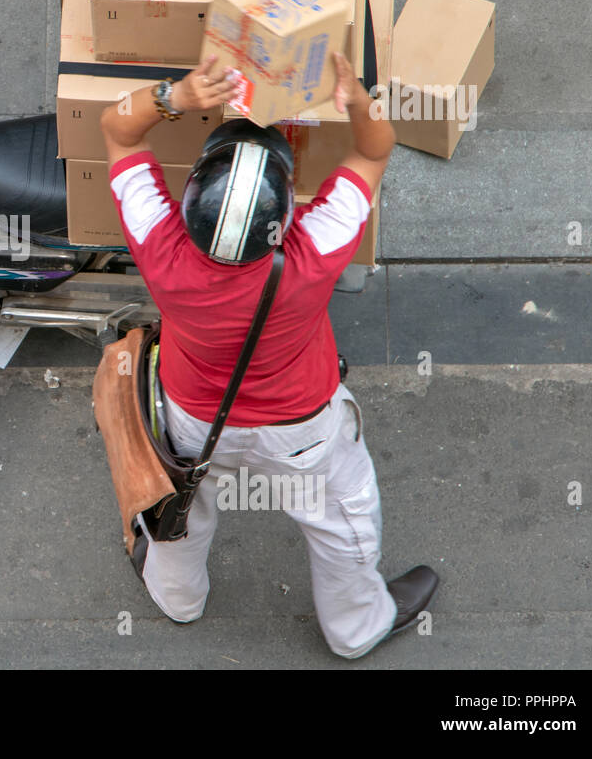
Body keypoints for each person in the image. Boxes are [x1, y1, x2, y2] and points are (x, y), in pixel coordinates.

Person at [98, 52, 438, 659]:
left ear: (191, 203)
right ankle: (356, 630)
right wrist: (357, 102)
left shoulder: (162, 249)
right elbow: (373, 149)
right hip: (301, 430)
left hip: (192, 420)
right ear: (286, 216)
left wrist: (177, 97)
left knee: (180, 498)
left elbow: (116, 127)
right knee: (341, 518)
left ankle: (177, 598)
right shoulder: (312, 254)